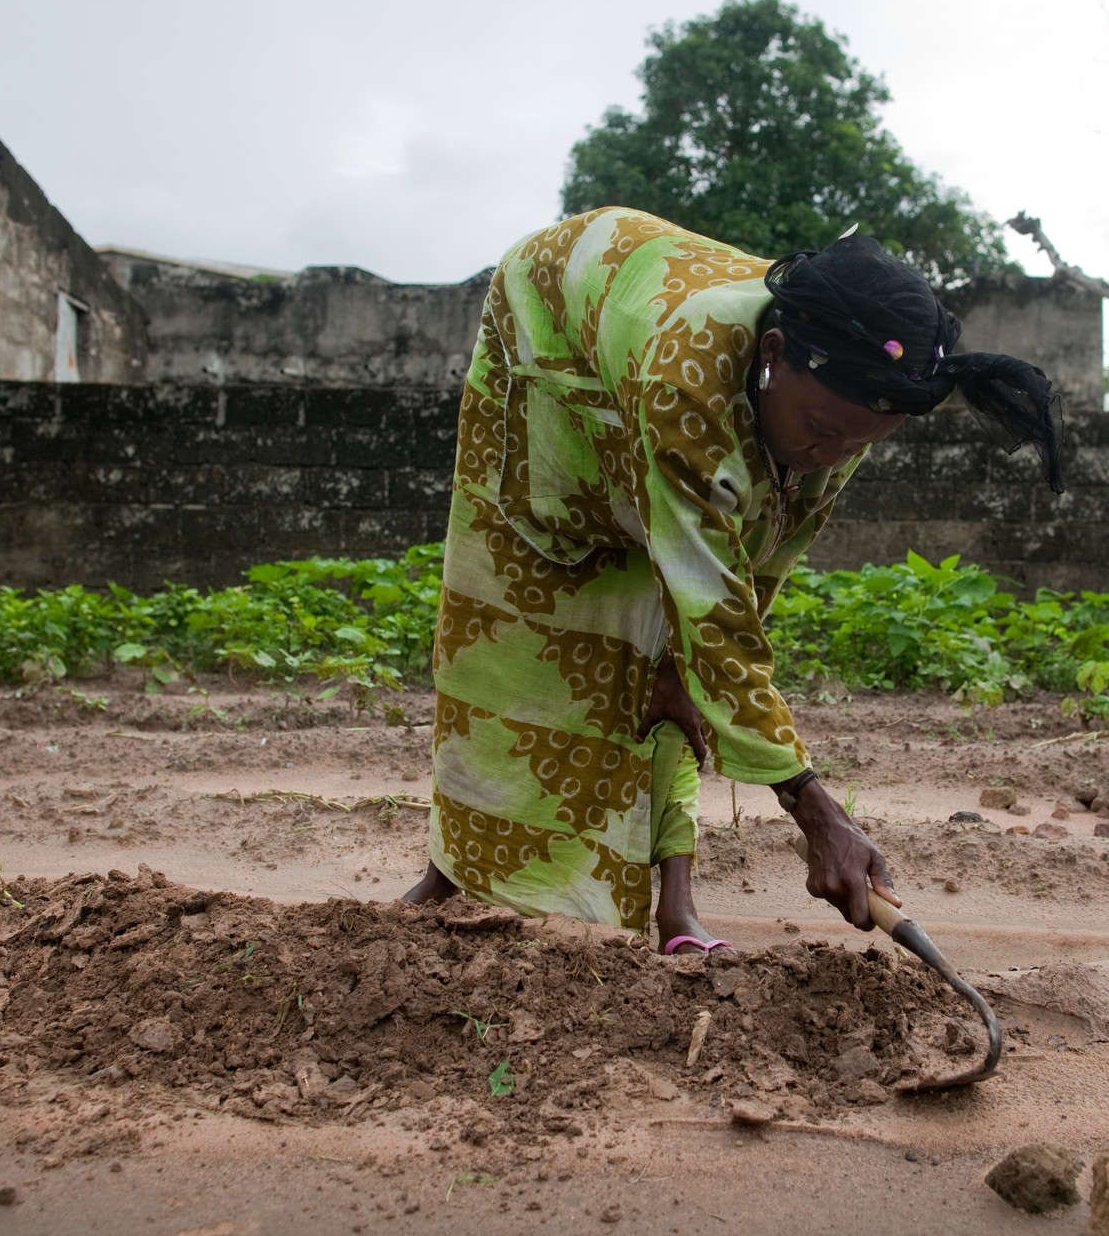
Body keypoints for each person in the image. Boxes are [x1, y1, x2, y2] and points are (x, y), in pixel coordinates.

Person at [401, 207, 1062, 950]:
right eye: (818, 429)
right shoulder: (690, 379)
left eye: (857, 443)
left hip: (655, 375)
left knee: (677, 670)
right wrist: (818, 813)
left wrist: (689, 669)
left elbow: (766, 549)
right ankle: (450, 874)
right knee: (507, 646)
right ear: (773, 354)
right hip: (552, 333)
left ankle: (674, 909)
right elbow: (714, 606)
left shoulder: (848, 400)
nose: (829, 453)